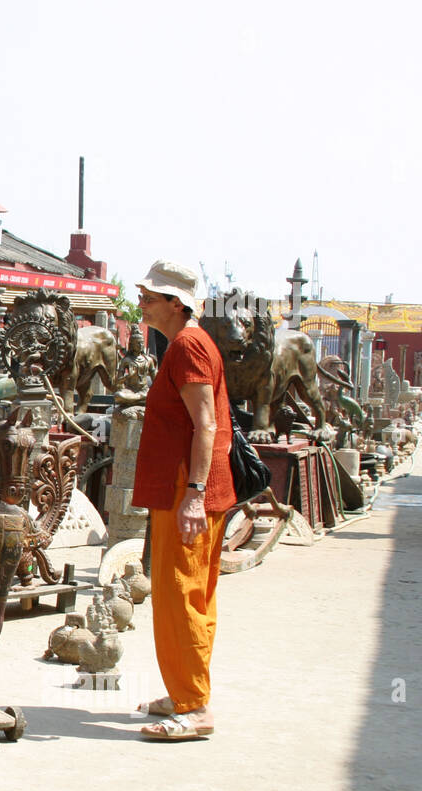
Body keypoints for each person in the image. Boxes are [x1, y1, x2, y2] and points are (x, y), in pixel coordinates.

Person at [131, 260, 235, 741]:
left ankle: (194, 707)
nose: (142, 302)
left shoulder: (189, 345)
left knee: (182, 594)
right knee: (183, 592)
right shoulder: (183, 345)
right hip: (185, 486)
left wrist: (193, 494)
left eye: (151, 296)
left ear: (177, 304)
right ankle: (184, 692)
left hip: (186, 489)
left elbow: (207, 424)